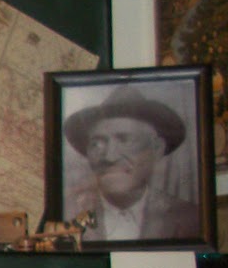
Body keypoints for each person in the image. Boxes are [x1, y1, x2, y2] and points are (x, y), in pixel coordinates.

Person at [62, 86, 198, 241]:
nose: (110, 157)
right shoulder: (65, 215)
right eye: (97, 144)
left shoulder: (190, 219)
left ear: (157, 149)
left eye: (125, 140)